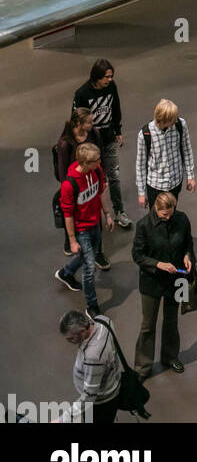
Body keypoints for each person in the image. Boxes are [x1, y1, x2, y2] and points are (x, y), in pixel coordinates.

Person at [132, 191, 196, 377]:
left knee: (172, 321)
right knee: (148, 325)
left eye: (171, 212)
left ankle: (170, 357)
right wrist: (158, 264)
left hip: (177, 280)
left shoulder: (182, 219)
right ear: (156, 208)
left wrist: (187, 256)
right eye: (164, 214)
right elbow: (137, 255)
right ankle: (142, 367)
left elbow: (188, 242)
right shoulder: (143, 225)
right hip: (152, 282)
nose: (168, 217)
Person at [55, 142, 115, 317]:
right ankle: (91, 306)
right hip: (81, 230)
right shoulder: (69, 185)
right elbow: (68, 215)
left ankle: (66, 273)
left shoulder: (96, 170)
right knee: (89, 268)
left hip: (95, 223)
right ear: (86, 163)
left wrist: (107, 214)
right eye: (97, 160)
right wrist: (72, 241)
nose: (100, 162)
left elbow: (101, 192)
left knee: (87, 256)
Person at [73, 60, 132, 228]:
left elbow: (116, 109)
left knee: (114, 176)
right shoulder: (82, 94)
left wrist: (117, 131)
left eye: (111, 76)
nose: (110, 79)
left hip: (108, 139)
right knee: (95, 179)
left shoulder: (111, 87)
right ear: (97, 77)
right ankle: (94, 216)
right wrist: (82, 143)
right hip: (91, 144)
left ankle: (119, 212)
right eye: (107, 77)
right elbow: (76, 119)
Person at [54, 108, 108, 267]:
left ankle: (98, 253)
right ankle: (71, 239)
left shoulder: (94, 134)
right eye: (89, 122)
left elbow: (101, 157)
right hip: (76, 186)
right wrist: (70, 190)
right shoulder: (65, 143)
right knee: (72, 215)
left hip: (92, 181)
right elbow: (63, 173)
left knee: (96, 215)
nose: (93, 124)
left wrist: (103, 178)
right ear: (78, 123)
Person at [60, 310, 122, 425]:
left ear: (83, 331)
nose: (69, 342)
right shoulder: (103, 320)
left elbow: (89, 396)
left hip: (100, 403)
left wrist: (64, 418)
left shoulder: (93, 357)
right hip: (113, 383)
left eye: (70, 338)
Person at [136, 99, 196, 209]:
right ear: (163, 121)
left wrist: (190, 176)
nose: (176, 120)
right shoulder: (145, 134)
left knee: (172, 213)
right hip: (155, 186)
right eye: (173, 119)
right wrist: (141, 192)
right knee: (156, 217)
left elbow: (187, 150)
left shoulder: (180, 125)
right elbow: (140, 165)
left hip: (175, 182)